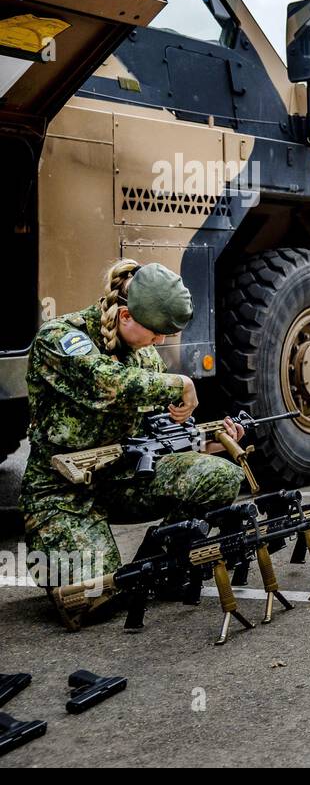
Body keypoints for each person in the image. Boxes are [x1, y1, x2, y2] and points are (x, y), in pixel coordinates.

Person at [21, 259, 246, 623]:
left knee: (220, 476)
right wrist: (182, 383)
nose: (159, 341)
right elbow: (107, 382)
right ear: (125, 315)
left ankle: (160, 565)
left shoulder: (144, 356)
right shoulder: (61, 338)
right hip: (61, 492)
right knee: (94, 602)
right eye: (156, 332)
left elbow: (154, 432)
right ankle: (101, 563)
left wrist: (211, 441)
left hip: (121, 479)